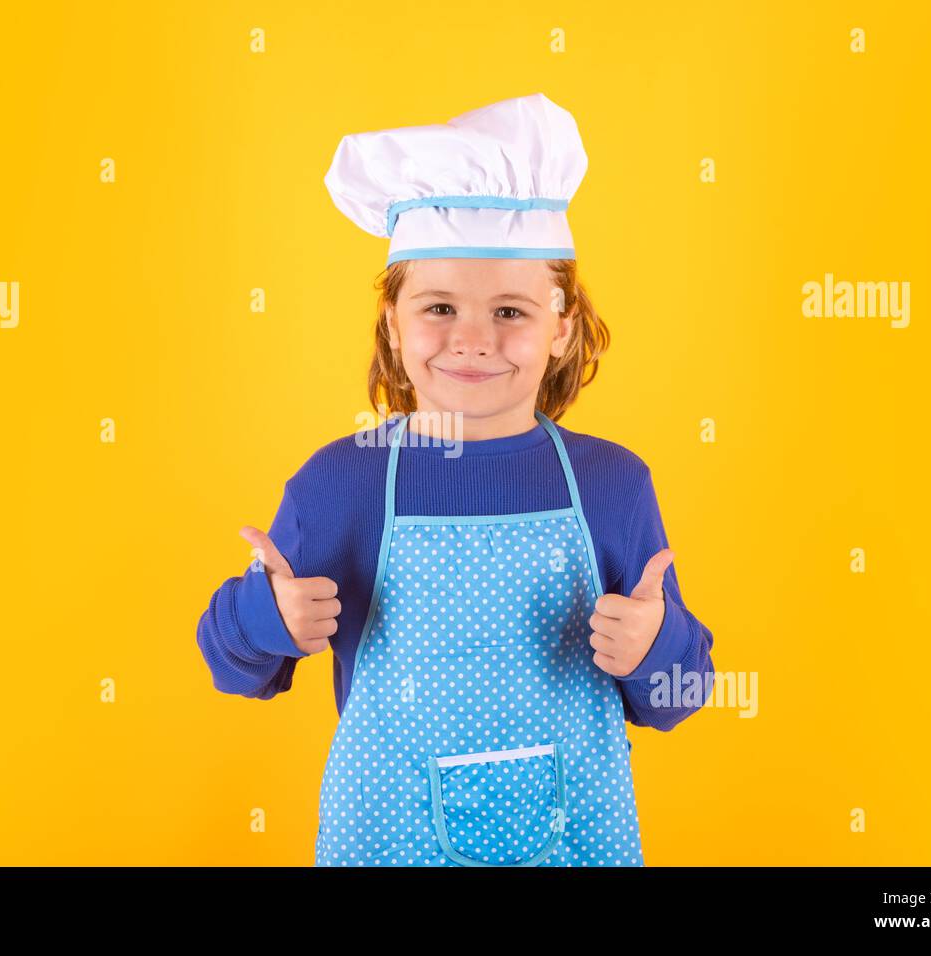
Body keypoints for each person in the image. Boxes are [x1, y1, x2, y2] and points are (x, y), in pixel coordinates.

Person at [196, 92, 715, 866]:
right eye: (439, 307)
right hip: (388, 841)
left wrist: (654, 643)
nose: (472, 340)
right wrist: (266, 617)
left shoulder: (612, 484)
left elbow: (682, 695)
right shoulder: (342, 482)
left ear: (562, 325)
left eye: (510, 312)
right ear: (393, 323)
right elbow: (235, 669)